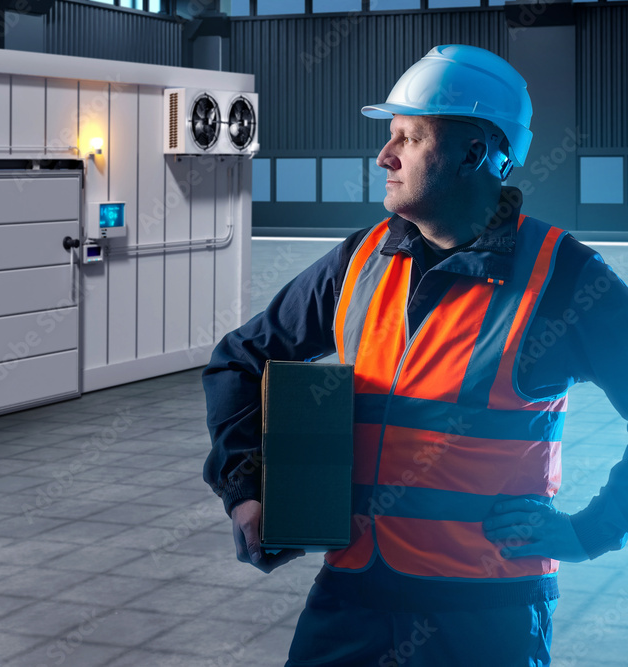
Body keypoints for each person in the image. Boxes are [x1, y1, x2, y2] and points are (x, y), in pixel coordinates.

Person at [202, 44, 628, 666]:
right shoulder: (362, 259)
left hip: (487, 616)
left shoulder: (565, 280)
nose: (384, 155)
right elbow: (239, 359)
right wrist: (247, 489)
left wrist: (591, 533)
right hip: (352, 596)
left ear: (473, 154)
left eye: (408, 136)